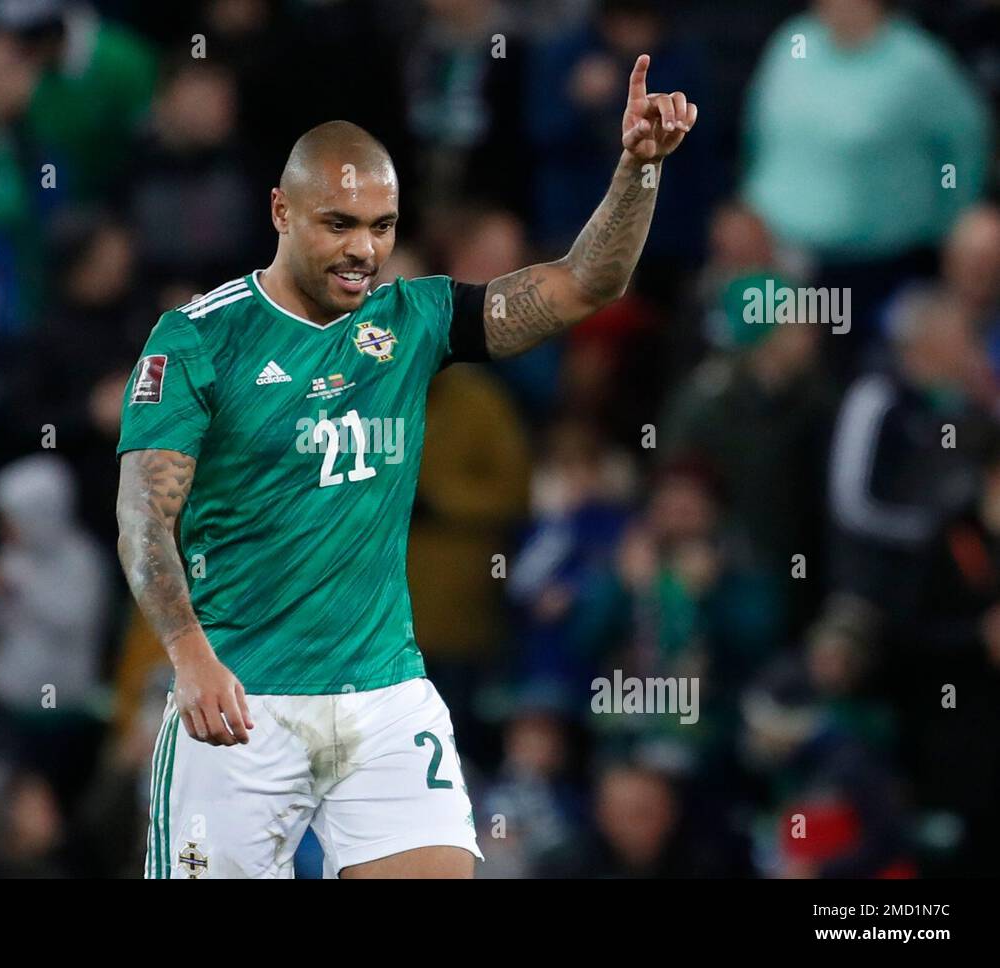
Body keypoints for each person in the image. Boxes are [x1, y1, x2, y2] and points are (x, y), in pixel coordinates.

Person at [115, 56, 698, 879]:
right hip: (240, 699)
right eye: (340, 224)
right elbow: (144, 518)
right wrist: (188, 654)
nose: (365, 250)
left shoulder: (415, 319)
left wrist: (638, 170)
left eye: (383, 226)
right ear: (280, 211)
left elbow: (581, 283)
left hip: (384, 697)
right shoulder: (199, 339)